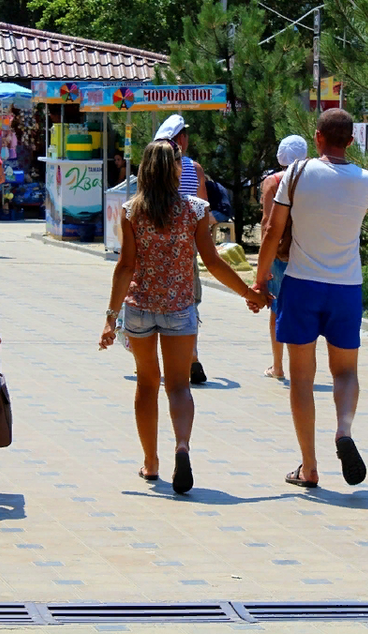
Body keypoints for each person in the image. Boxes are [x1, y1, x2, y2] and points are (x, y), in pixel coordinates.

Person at [99, 140, 267, 495]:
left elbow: (125, 266)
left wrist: (110, 318)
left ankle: (151, 462)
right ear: (175, 169)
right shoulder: (194, 209)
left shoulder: (132, 211)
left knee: (147, 384)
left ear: (145, 168)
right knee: (178, 386)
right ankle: (182, 447)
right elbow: (214, 261)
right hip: (179, 309)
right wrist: (248, 295)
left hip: (140, 309)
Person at [253, 109, 368, 489]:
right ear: (351, 141)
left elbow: (274, 230)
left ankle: (309, 468)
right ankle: (343, 431)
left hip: (302, 283)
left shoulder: (298, 173)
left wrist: (260, 281)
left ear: (318, 137)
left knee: (302, 380)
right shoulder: (366, 180)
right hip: (347, 287)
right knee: (346, 371)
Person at [153, 114, 211, 385]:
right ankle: (193, 355)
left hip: (154, 248)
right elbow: (203, 209)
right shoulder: (195, 169)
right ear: (181, 140)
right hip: (186, 247)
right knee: (189, 299)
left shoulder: (150, 167)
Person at [260, 135, 309, 379]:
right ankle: (302, 366)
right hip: (307, 253)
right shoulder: (313, 180)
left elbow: (268, 225)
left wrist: (263, 264)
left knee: (277, 310)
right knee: (302, 310)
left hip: (281, 254)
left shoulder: (273, 181)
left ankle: (278, 366)